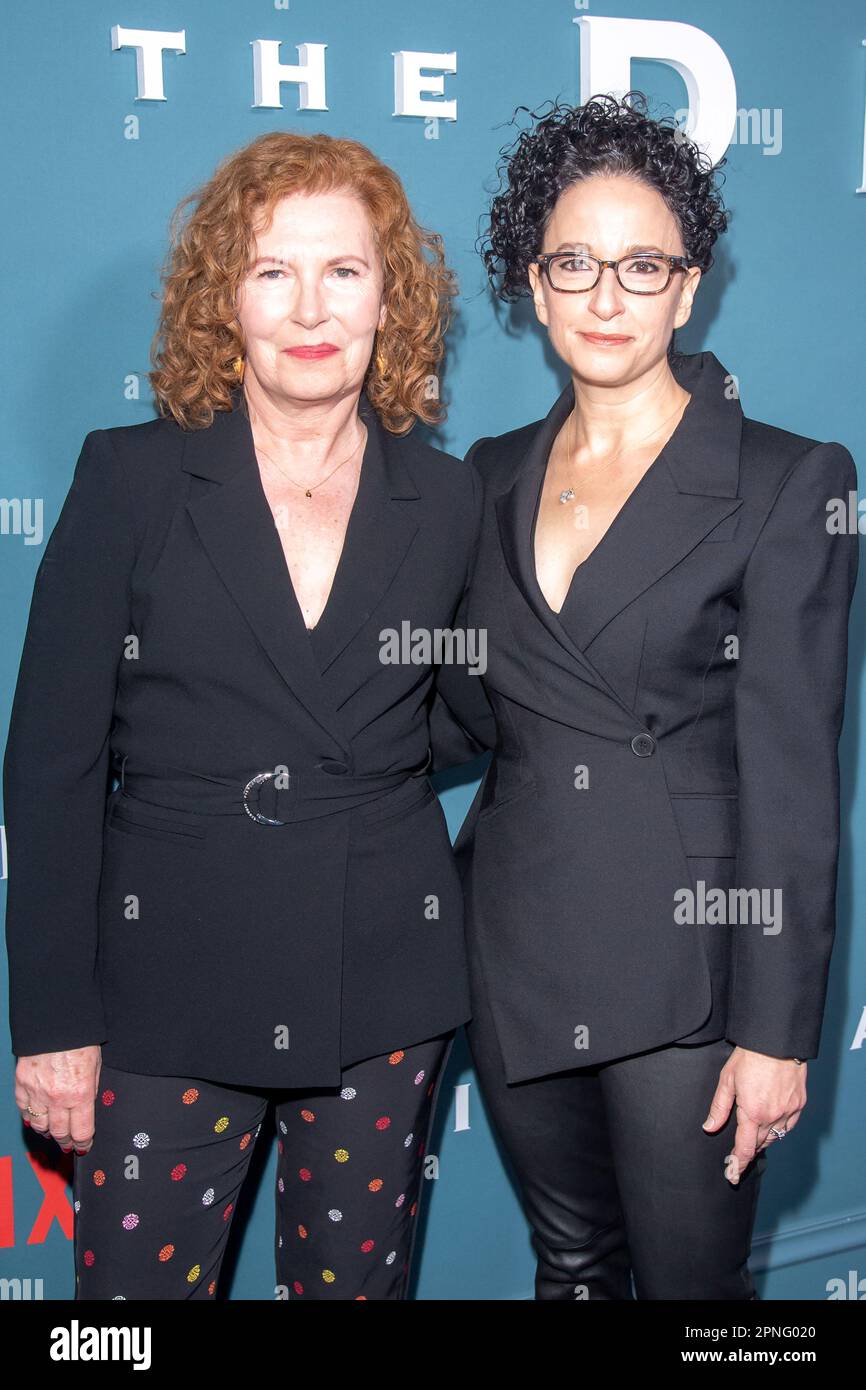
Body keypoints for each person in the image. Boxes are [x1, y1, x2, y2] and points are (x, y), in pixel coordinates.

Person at [4, 130, 482, 1300]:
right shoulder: (130, 477)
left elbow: (469, 709)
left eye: (344, 270)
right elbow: (49, 768)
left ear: (391, 295)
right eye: (273, 270)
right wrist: (50, 1020)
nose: (309, 307)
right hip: (166, 982)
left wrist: (349, 777)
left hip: (381, 983)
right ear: (226, 297)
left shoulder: (448, 493)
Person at [433, 93, 859, 1299]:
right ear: (533, 280)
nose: (604, 296)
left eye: (640, 265)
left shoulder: (785, 480)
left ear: (687, 285)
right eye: (573, 263)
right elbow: (468, 712)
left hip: (688, 976)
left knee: (689, 1294)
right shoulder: (491, 472)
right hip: (513, 941)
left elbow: (790, 782)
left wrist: (776, 1031)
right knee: (569, 1264)